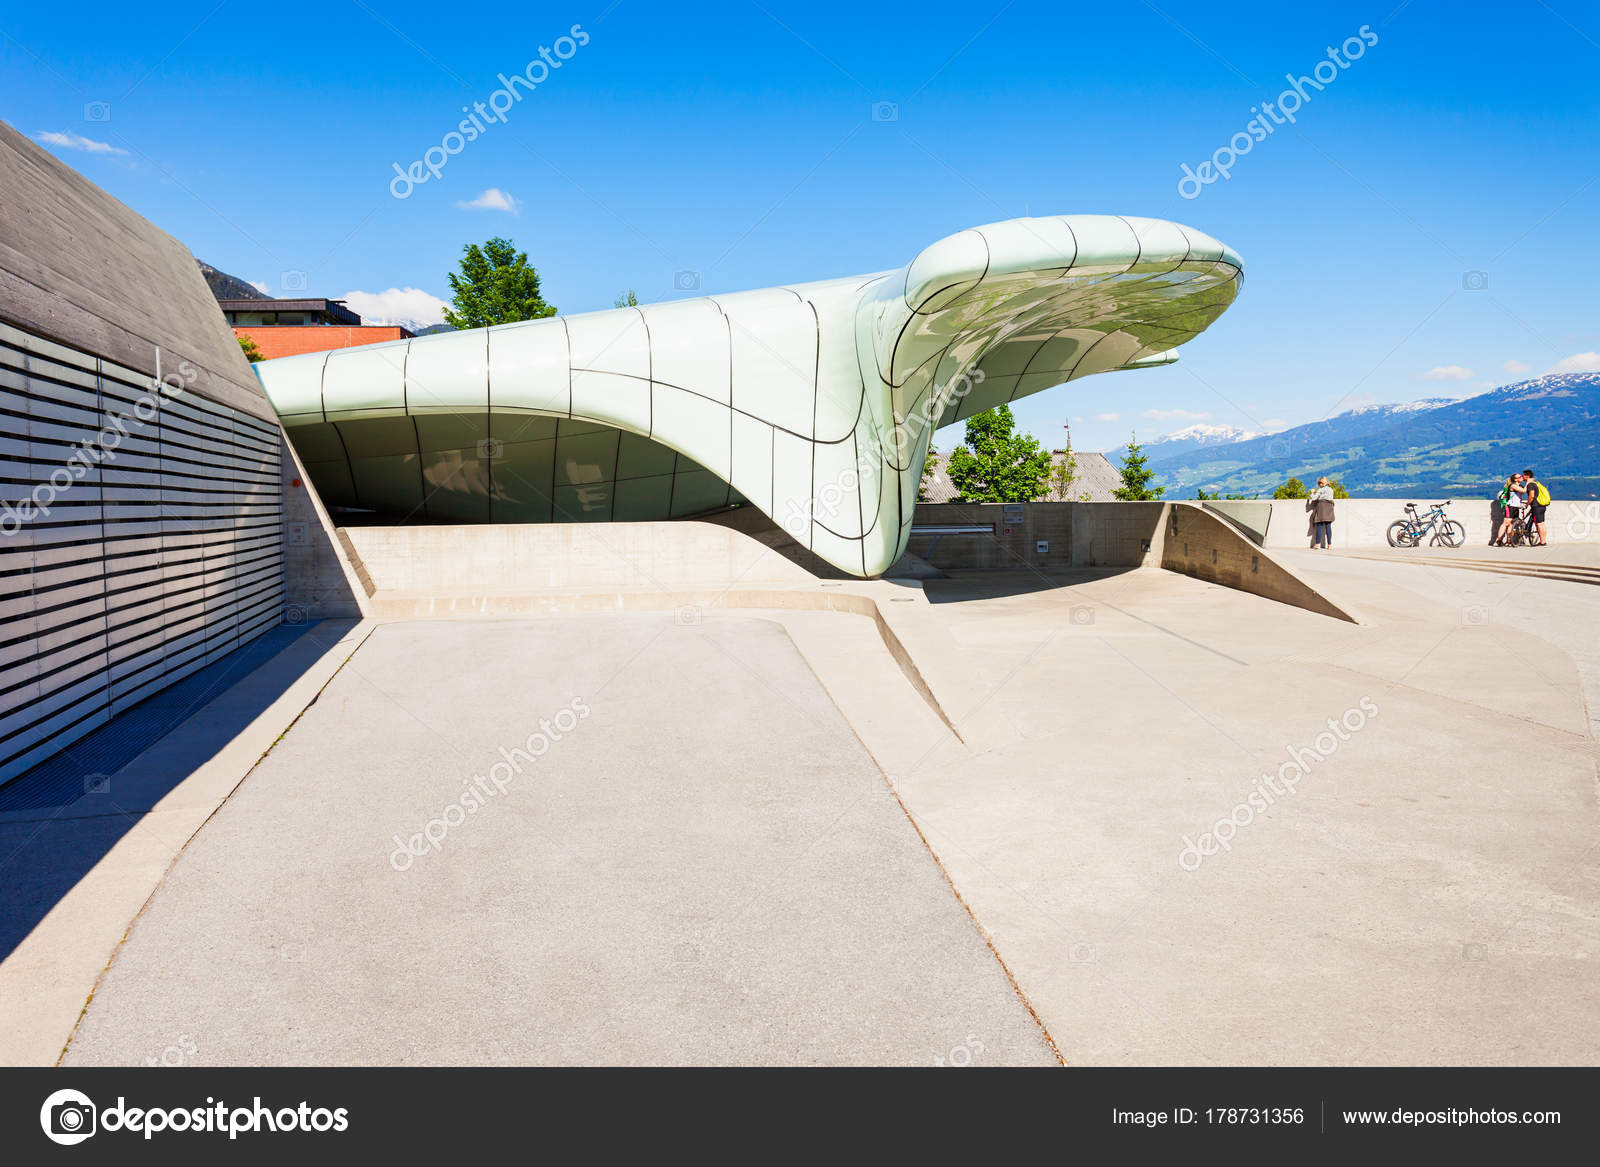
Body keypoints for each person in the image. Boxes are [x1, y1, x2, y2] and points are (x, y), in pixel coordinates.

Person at [1493, 473, 1525, 546]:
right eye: (1520, 476)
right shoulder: (1513, 485)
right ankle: (1499, 540)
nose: (1521, 477)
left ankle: (1509, 540)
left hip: (1516, 506)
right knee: (1506, 523)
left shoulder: (1520, 486)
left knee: (1511, 524)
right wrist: (1529, 482)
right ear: (1515, 479)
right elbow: (1523, 491)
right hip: (1510, 506)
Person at [1523, 468, 1550, 546]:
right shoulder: (1536, 483)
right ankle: (1544, 540)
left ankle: (1542, 542)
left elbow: (1531, 496)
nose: (1522, 477)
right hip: (1542, 505)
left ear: (1527, 476)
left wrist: (1527, 504)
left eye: (1523, 475)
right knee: (1542, 523)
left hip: (1536, 506)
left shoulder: (1530, 484)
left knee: (1538, 524)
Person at [1308, 476, 1335, 549]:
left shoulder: (1320, 490)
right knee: (1328, 526)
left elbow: (1313, 498)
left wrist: (1312, 493)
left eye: (1320, 482)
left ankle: (1317, 544)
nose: (1319, 484)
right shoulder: (1331, 489)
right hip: (1329, 507)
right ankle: (1329, 545)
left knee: (1319, 525)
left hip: (1321, 507)